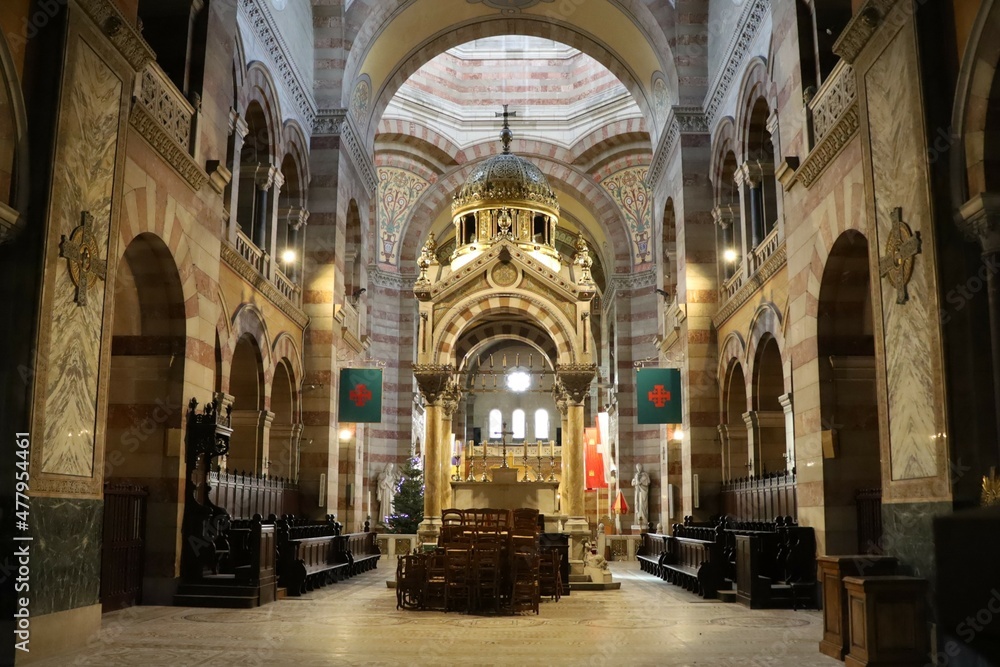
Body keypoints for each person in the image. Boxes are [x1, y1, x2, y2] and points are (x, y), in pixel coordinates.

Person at [631, 463, 650, 527]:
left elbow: (647, 482)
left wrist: (641, 483)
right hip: (637, 492)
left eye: (639, 467)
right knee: (637, 505)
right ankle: (638, 520)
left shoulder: (645, 475)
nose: (638, 469)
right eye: (637, 468)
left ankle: (644, 520)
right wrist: (636, 483)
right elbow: (633, 483)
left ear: (641, 467)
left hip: (643, 492)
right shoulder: (636, 475)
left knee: (643, 505)